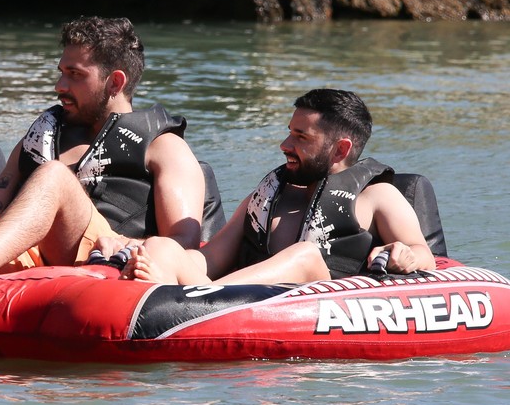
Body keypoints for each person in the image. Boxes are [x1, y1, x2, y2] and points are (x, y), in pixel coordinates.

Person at [0, 15, 206, 275]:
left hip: (98, 256)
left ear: (115, 82)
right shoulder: (42, 136)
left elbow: (183, 244)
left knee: (53, 175)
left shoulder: (163, 146)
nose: (60, 86)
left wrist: (126, 243)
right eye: (60, 73)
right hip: (23, 256)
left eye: (74, 75)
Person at [123, 88, 437, 285]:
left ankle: (205, 296)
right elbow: (210, 259)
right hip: (243, 305)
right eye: (289, 132)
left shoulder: (378, 196)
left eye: (301, 137)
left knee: (305, 255)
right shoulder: (266, 196)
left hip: (317, 304)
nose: (284, 144)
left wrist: (405, 254)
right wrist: (156, 254)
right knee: (161, 246)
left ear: (340, 150)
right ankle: (188, 297)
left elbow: (425, 255)